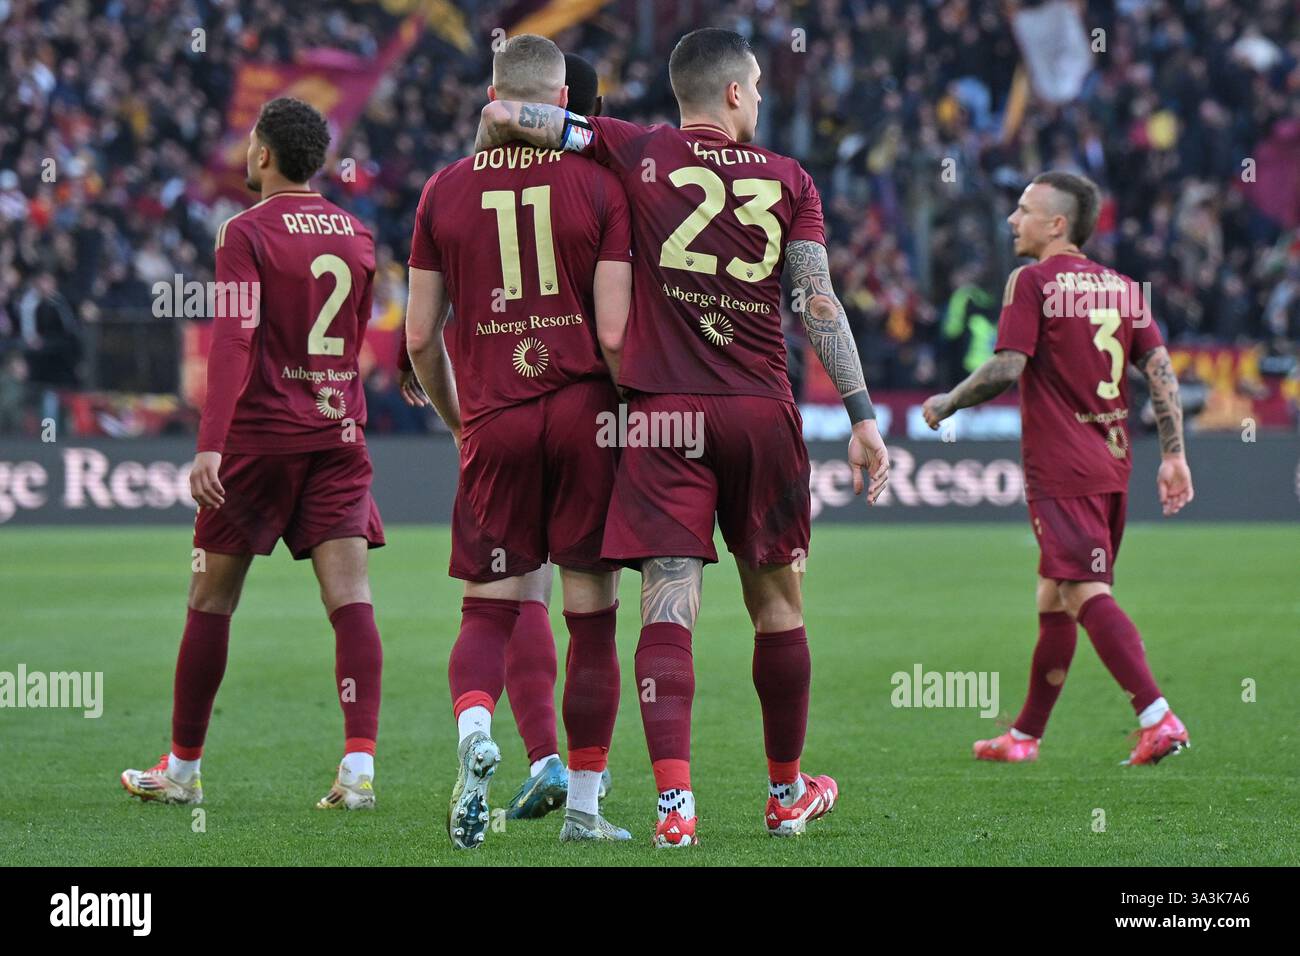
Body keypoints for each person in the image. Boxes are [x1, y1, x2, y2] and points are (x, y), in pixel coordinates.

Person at [476, 27, 890, 847]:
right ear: (735, 93)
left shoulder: (639, 150)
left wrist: (495, 125)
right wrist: (862, 414)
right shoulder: (790, 177)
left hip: (664, 417)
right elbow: (816, 303)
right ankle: (785, 794)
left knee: (669, 603)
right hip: (761, 413)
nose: (763, 98)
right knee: (777, 608)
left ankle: (675, 810)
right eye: (761, 86)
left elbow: (517, 112)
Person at [122, 97, 386, 810]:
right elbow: (355, 344)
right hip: (337, 439)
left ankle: (182, 770)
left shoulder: (244, 231)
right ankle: (358, 770)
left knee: (210, 599)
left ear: (264, 155)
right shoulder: (358, 234)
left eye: (248, 142)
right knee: (351, 600)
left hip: (261, 443)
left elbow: (234, 339)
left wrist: (210, 447)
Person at [406, 35, 633, 847]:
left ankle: (475, 739)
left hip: (495, 417)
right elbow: (614, 334)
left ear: (494, 93)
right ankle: (584, 810)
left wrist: (460, 419)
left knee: (489, 607)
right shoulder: (599, 185)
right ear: (560, 101)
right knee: (592, 618)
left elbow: (421, 338)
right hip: (583, 416)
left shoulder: (441, 193)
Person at [922, 171, 1193, 765]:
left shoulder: (1033, 281)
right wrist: (1173, 454)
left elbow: (1006, 368)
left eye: (1023, 210)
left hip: (1063, 469)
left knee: (1080, 587)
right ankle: (1024, 737)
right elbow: (1161, 372)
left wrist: (946, 403)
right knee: (1055, 595)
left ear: (1057, 224)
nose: (1012, 221)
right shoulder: (1125, 288)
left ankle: (1157, 715)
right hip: (1113, 465)